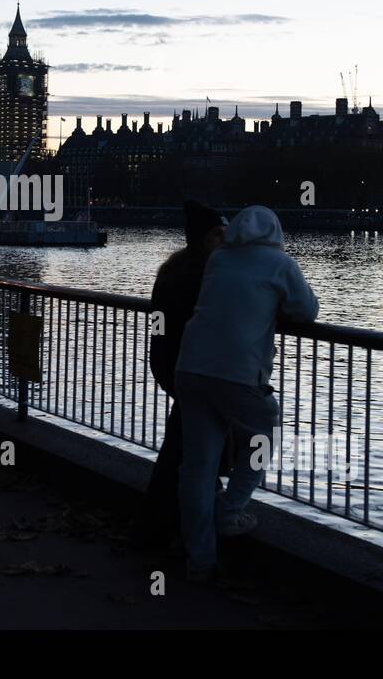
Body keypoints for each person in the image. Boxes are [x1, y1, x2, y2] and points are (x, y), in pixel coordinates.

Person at [175, 205, 319, 582]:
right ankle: (230, 510)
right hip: (237, 372)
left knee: (198, 466)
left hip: (191, 367)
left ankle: (199, 560)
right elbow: (307, 311)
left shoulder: (219, 259)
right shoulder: (279, 263)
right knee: (262, 436)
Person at [131, 200, 228, 551]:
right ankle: (168, 529)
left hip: (171, 366)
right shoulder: (209, 274)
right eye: (219, 234)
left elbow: (162, 325)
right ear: (205, 238)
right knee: (188, 450)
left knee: (183, 444)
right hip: (193, 369)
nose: (225, 240)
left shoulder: (171, 271)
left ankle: (160, 525)